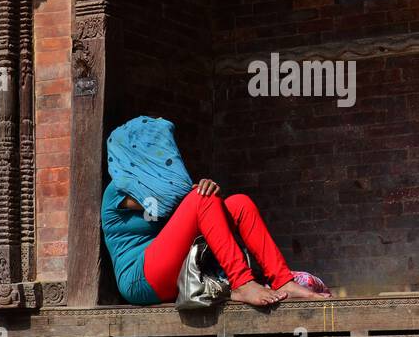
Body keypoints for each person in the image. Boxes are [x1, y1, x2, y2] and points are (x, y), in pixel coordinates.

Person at [101, 116, 324, 306]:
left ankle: (283, 280)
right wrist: (201, 195)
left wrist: (208, 193)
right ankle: (242, 284)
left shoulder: (164, 186)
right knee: (202, 198)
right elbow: (169, 198)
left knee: (239, 203)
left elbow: (186, 205)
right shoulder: (119, 191)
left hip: (174, 271)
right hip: (140, 280)